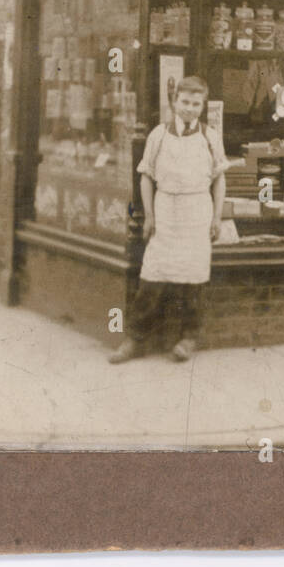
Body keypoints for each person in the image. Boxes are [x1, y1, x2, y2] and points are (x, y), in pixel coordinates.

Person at [110, 76, 229, 363]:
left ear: (202, 106)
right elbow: (146, 177)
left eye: (195, 104)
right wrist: (150, 215)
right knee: (153, 275)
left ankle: (188, 337)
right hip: (165, 211)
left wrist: (216, 217)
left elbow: (219, 179)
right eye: (184, 102)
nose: (189, 108)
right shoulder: (158, 135)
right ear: (175, 102)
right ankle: (135, 339)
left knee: (194, 277)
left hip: (197, 209)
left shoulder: (210, 136)